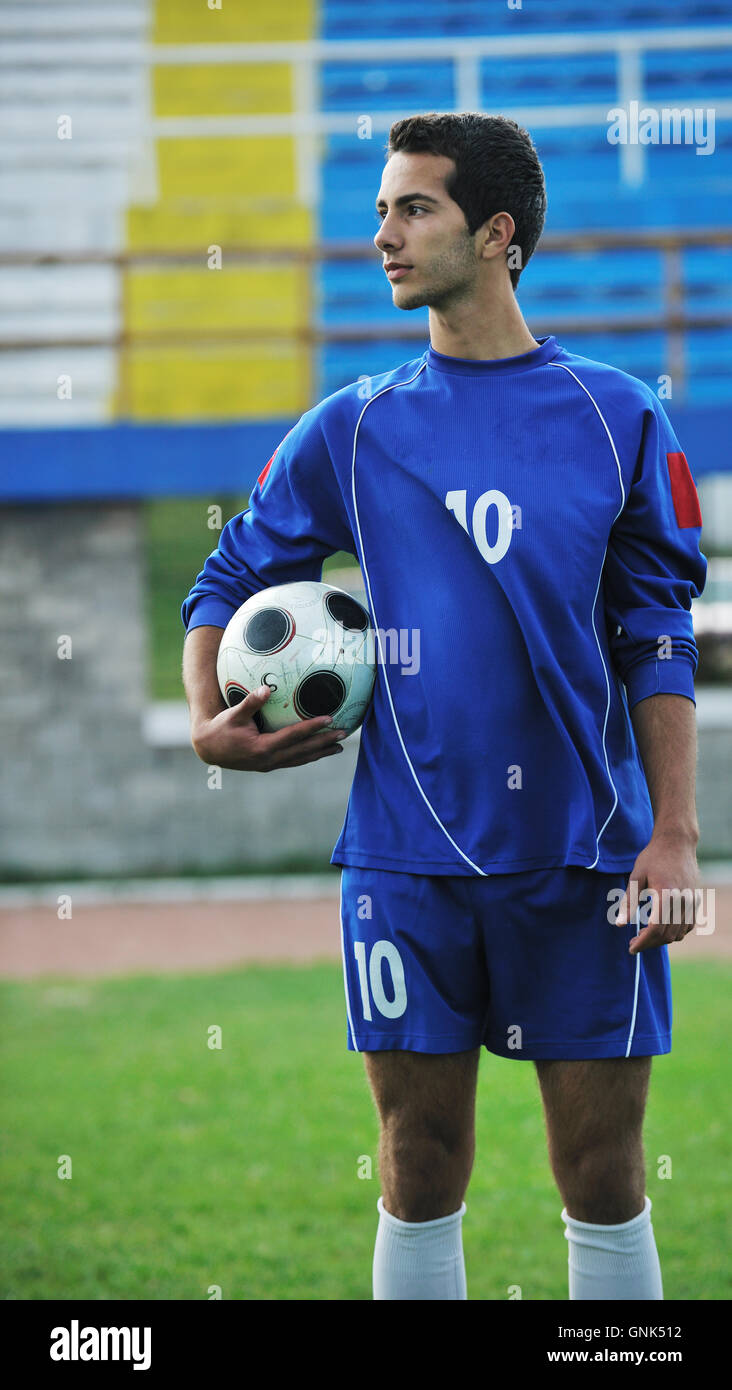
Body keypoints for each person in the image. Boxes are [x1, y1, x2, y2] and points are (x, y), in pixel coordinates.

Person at [181, 112, 707, 1301]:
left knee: (605, 1170)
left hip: (586, 862)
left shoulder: (617, 415)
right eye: (379, 211)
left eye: (413, 208)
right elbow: (220, 582)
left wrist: (673, 833)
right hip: (405, 865)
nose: (384, 235)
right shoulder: (355, 425)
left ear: (500, 235)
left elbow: (658, 637)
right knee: (419, 1165)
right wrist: (210, 718)